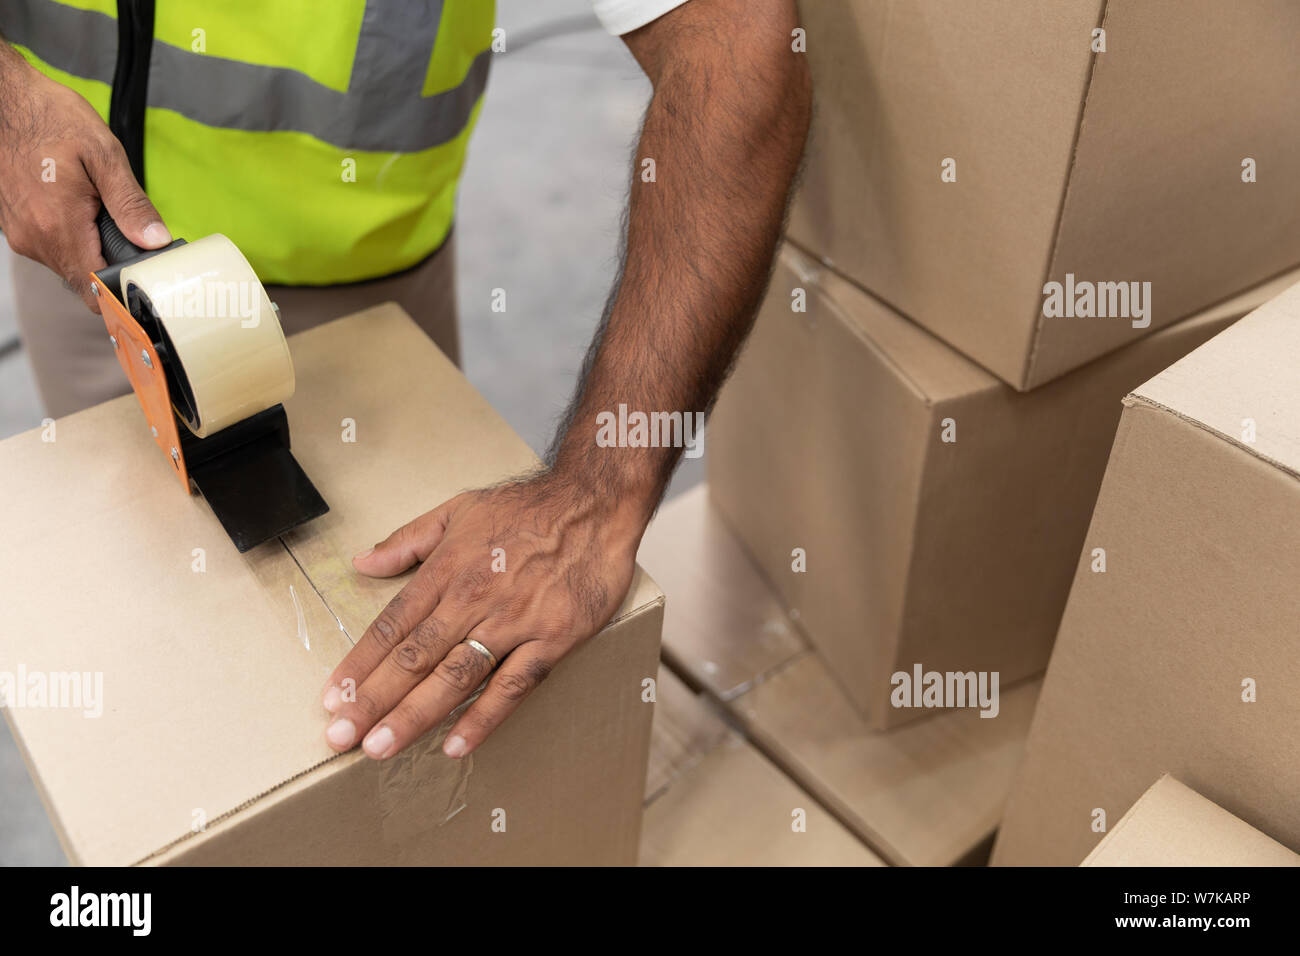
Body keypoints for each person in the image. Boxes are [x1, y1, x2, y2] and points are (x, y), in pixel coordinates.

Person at [0, 0, 811, 762]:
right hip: (86, 251)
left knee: (374, 673)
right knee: (162, 644)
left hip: (363, 282)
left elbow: (732, 40)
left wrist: (600, 490)